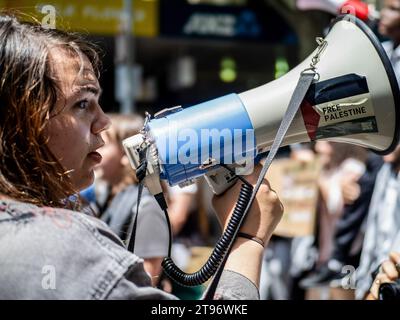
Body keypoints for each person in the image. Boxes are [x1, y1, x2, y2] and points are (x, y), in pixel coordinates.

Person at [0, 14, 283, 299]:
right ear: (19, 121)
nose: (103, 122)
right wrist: (248, 238)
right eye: (82, 103)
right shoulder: (68, 247)